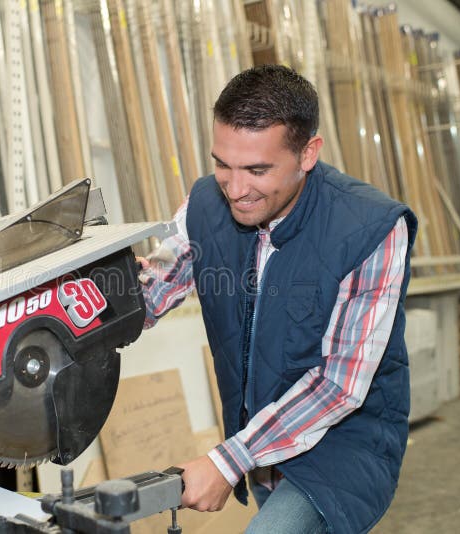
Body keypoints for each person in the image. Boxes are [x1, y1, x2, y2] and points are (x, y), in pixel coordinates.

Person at [138, 65, 417, 533]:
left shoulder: (372, 228)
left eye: (257, 169)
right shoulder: (208, 202)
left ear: (308, 153)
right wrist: (91, 300)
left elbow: (339, 384)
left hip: (343, 445)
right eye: (222, 163)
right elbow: (155, 289)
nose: (236, 187)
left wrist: (228, 461)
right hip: (263, 433)